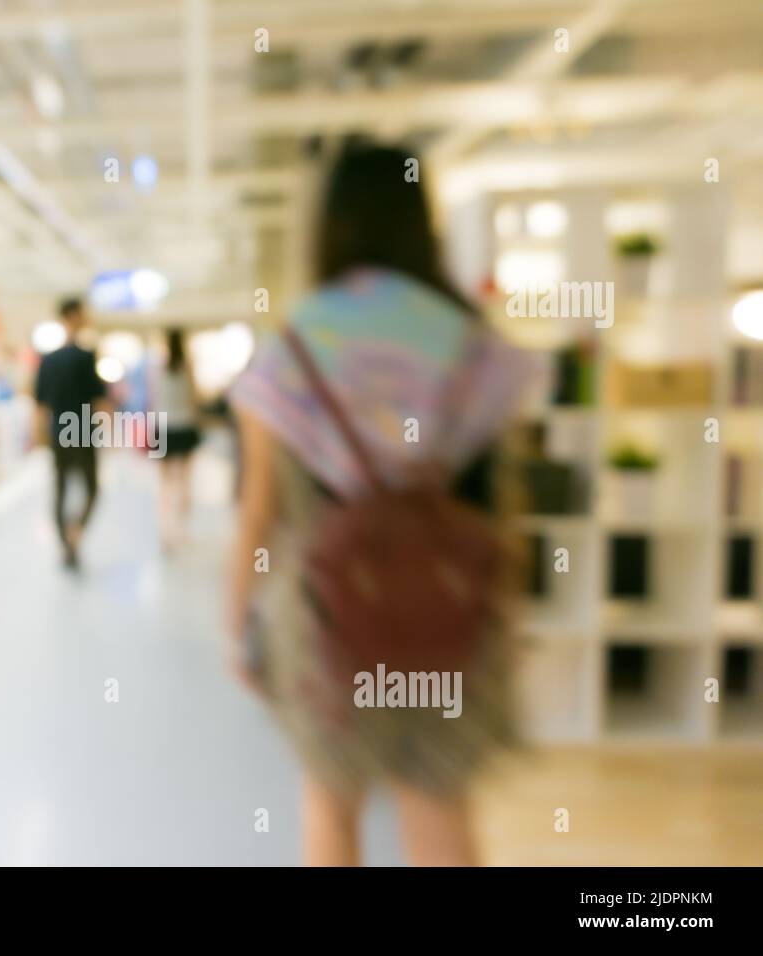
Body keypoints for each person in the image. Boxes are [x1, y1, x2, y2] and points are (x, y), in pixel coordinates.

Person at [227, 139, 537, 866]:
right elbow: (502, 507)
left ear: (330, 225)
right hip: (451, 615)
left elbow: (261, 508)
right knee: (439, 809)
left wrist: (239, 621)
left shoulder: (299, 345)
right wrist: (509, 611)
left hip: (331, 619)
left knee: (331, 814)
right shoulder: (471, 342)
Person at [34, 296, 107, 570]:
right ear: (74, 315)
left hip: (58, 432)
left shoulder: (48, 360)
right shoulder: (85, 357)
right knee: (92, 488)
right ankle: (75, 533)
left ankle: (66, 543)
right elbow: (98, 400)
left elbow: (40, 405)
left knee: (61, 489)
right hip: (83, 431)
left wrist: (40, 435)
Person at [152, 328, 202, 551]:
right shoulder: (188, 366)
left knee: (164, 483)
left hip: (163, 426)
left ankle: (165, 529)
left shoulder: (159, 367)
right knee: (184, 480)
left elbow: (154, 398)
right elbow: (194, 398)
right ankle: (181, 527)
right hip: (184, 426)